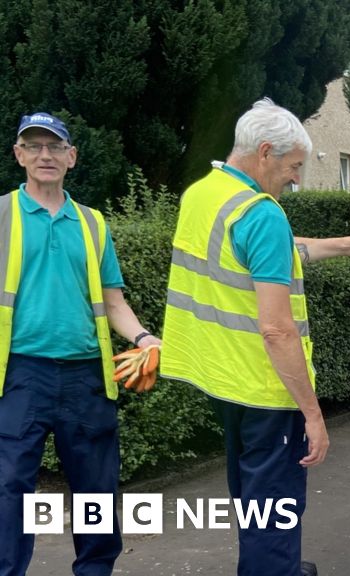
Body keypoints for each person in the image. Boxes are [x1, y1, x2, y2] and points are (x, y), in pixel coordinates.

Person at [159, 98, 350, 576]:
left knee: (252, 502)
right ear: (265, 151)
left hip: (222, 378)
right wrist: (314, 415)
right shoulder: (261, 214)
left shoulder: (205, 194)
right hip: (265, 387)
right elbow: (277, 329)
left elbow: (266, 255)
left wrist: (348, 245)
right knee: (274, 515)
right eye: (294, 166)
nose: (297, 178)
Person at [0, 113, 162, 576]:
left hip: (86, 377)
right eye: (34, 146)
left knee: (97, 492)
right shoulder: (2, 215)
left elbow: (113, 302)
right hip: (19, 376)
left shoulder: (92, 224)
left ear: (71, 157)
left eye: (55, 147)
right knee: (10, 490)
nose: (44, 155)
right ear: (19, 156)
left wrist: (144, 336)